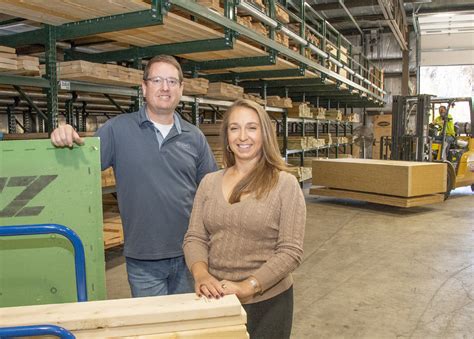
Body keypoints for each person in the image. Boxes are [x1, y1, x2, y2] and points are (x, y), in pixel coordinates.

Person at [50, 55, 217, 297]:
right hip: (143, 258)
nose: (165, 87)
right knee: (151, 329)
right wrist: (64, 136)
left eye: (172, 81)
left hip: (189, 255)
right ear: (144, 87)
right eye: (157, 80)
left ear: (181, 88)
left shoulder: (195, 137)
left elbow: (212, 191)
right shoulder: (117, 130)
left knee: (185, 328)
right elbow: (80, 166)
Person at [183, 99, 306, 339]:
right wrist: (202, 275)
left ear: (264, 134)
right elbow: (195, 237)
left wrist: (247, 286)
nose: (242, 136)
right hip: (215, 298)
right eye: (234, 128)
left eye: (252, 127)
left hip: (268, 303)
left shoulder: (284, 184)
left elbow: (290, 251)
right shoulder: (209, 182)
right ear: (227, 136)